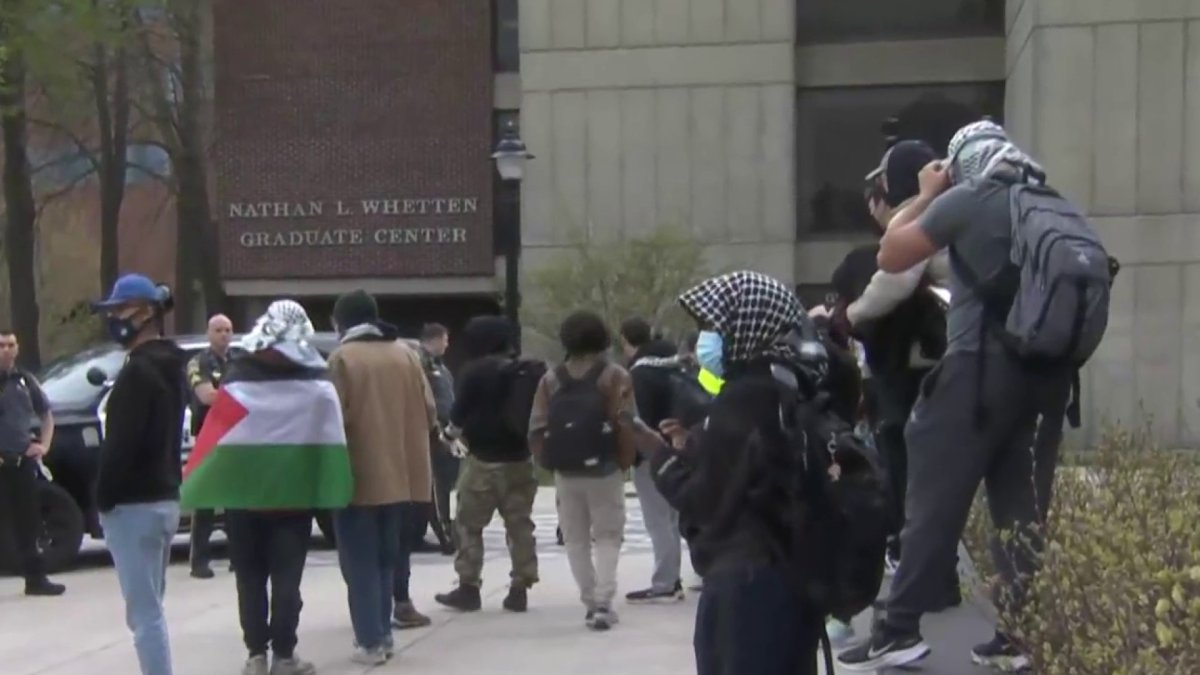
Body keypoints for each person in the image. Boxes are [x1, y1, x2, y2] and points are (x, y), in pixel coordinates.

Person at [839, 121, 1076, 671]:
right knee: (1018, 510)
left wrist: (924, 195)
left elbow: (891, 256)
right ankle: (1020, 633)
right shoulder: (1047, 204)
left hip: (974, 377)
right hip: (1042, 379)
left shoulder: (973, 198)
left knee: (931, 500)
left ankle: (897, 630)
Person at [650, 270, 827, 674]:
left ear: (747, 325)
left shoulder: (744, 398)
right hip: (791, 573)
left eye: (715, 327)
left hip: (745, 581)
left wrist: (662, 460)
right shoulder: (792, 381)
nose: (708, 338)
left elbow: (705, 502)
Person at [187, 301, 337, 675]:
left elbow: (218, 435)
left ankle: (256, 655)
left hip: (244, 495)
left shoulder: (236, 377)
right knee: (287, 578)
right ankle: (285, 656)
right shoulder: (315, 378)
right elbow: (330, 433)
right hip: (293, 494)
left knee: (250, 579)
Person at [329, 290, 437, 665]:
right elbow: (430, 410)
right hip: (404, 476)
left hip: (358, 477)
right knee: (387, 560)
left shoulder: (342, 358)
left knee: (358, 562)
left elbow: (333, 419)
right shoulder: (406, 354)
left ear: (340, 322)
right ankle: (385, 635)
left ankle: (370, 641)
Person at [90, 274, 188, 675]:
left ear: (144, 314)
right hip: (165, 497)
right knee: (153, 608)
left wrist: (104, 497)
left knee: (144, 615)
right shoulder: (171, 368)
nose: (114, 319)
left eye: (119, 310)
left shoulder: (137, 375)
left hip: (134, 505)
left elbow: (121, 447)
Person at [530, 311, 637, 631]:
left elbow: (536, 427)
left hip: (566, 470)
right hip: (604, 469)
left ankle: (589, 601)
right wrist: (623, 460)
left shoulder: (551, 379)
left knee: (575, 540)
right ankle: (605, 602)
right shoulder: (614, 375)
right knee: (607, 536)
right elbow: (627, 422)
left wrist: (549, 460)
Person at [436, 315, 539, 613]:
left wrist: (448, 436)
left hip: (484, 461)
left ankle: (469, 587)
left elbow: (458, 416)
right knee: (519, 525)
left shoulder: (475, 371)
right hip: (521, 460)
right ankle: (520, 587)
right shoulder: (525, 370)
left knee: (468, 524)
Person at [618, 317, 686, 603]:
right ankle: (674, 577)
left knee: (658, 520)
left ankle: (665, 583)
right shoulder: (680, 365)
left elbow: (636, 419)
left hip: (652, 454)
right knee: (673, 518)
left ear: (626, 341)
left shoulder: (638, 375)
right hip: (682, 446)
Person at [0, 329, 65, 596]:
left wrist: (44, 445)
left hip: (20, 461)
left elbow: (46, 414)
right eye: (1, 345)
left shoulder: (25, 381)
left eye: (11, 344)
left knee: (28, 522)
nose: (6, 350)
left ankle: (35, 579)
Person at [185, 313, 242, 579]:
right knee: (205, 501)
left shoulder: (239, 360)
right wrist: (239, 395)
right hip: (208, 435)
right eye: (218, 330)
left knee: (236, 501)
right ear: (209, 333)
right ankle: (199, 561)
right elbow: (206, 396)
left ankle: (239, 556)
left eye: (228, 329)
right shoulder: (199, 362)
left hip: (237, 436)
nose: (224, 334)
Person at [409, 322, 457, 558]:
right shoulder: (422, 363)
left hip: (446, 430)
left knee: (442, 483)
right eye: (445, 339)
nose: (447, 344)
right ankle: (445, 534)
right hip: (432, 431)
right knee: (436, 486)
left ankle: (425, 533)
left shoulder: (439, 366)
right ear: (435, 339)